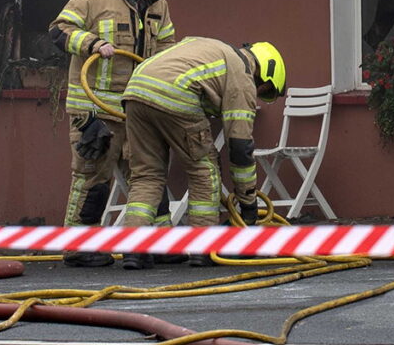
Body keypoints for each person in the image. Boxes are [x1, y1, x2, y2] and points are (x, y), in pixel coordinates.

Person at [51, 0, 177, 267]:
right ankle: (80, 247)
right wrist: (92, 44)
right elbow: (58, 31)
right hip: (94, 110)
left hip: (137, 108)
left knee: (148, 173)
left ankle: (158, 243)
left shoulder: (158, 5)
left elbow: (167, 51)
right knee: (93, 175)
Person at [116, 37, 283, 264]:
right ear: (263, 74)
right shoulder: (242, 74)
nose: (257, 93)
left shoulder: (209, 48)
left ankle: (134, 249)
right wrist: (248, 205)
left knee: (147, 175)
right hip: (174, 93)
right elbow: (240, 148)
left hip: (135, 92)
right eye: (263, 89)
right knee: (204, 171)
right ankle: (202, 249)